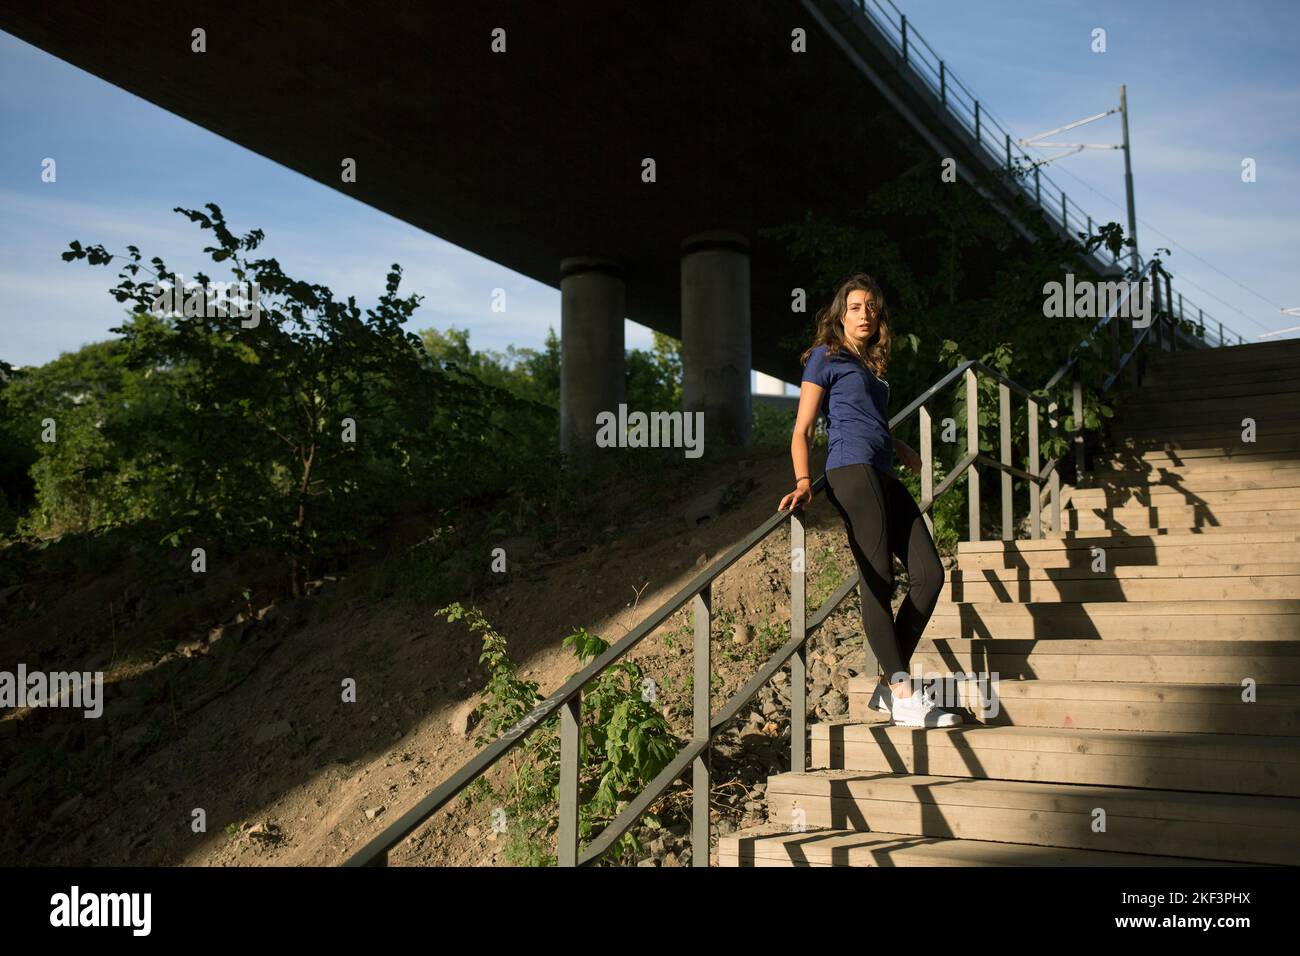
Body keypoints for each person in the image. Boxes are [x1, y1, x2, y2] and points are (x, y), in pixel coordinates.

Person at [777, 273, 960, 728]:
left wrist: (899, 448)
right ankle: (901, 689)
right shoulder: (825, 357)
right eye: (856, 307)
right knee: (878, 578)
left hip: (881, 471)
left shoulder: (871, 368)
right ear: (840, 314)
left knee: (929, 574)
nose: (865, 316)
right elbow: (802, 429)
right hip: (850, 471)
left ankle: (887, 687)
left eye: (872, 309)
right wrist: (803, 480)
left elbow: (868, 418)